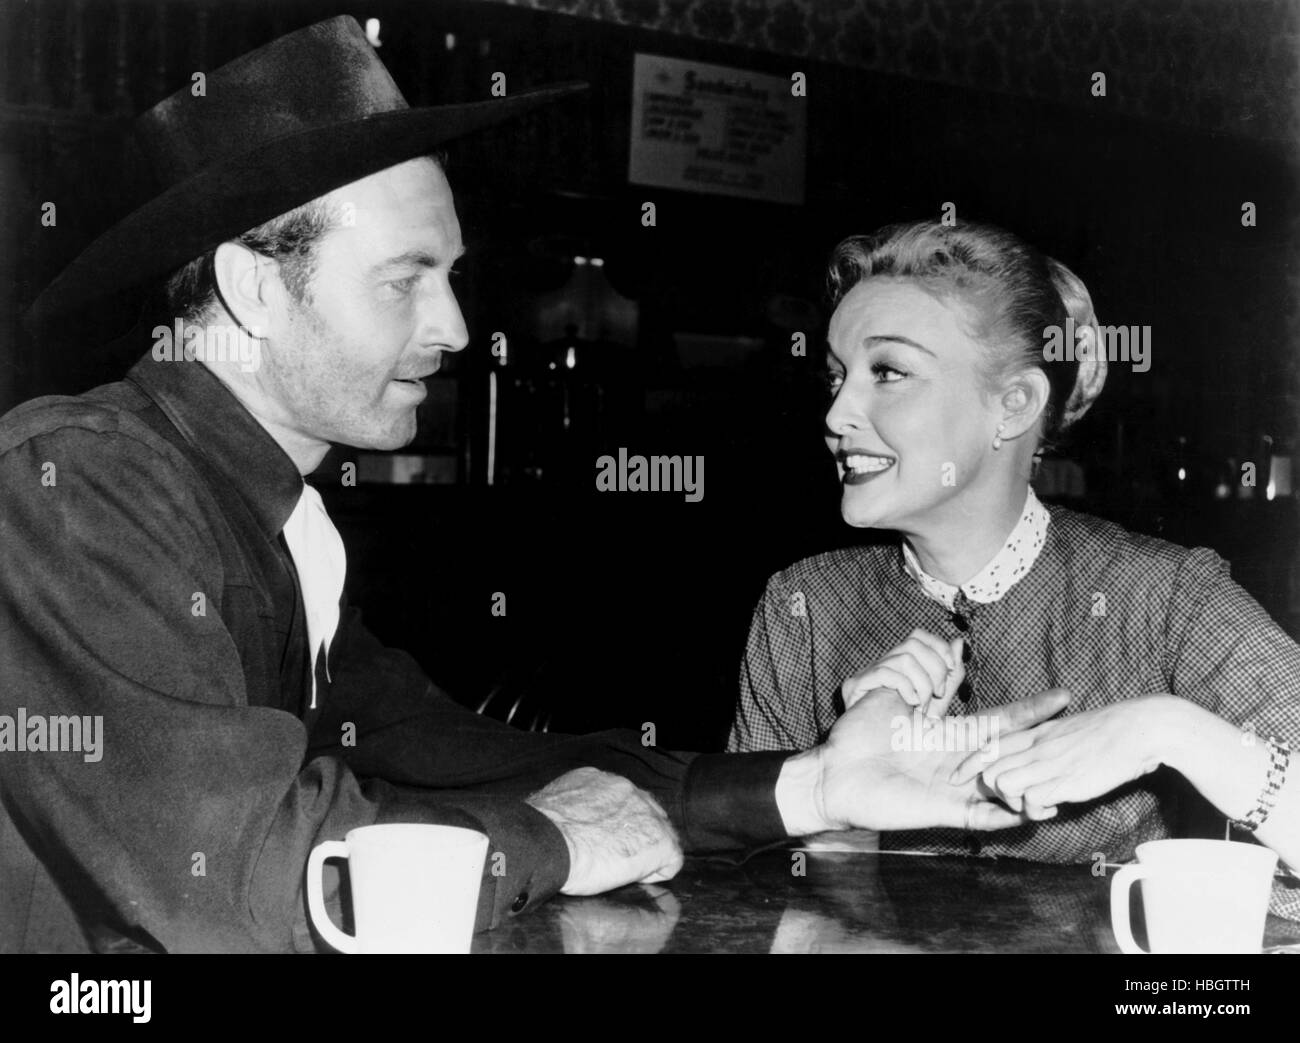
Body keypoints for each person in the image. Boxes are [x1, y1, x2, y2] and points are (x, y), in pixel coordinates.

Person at [0, 18, 1065, 954]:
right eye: (405, 278)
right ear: (250, 285)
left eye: (450, 278)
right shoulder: (75, 486)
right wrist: (552, 840)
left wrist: (809, 786)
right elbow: (232, 888)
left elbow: (459, 755)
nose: (454, 327)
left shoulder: (281, 522)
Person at [728, 219, 1300, 909]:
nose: (837, 412)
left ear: (1014, 404)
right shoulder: (804, 607)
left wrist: (1169, 728)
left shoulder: (1168, 597)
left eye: (888, 372)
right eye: (837, 376)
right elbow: (732, 901)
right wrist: (840, 801)